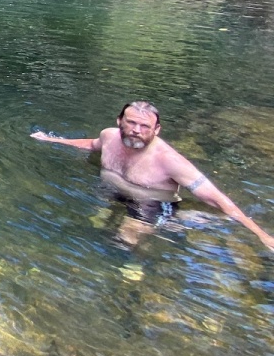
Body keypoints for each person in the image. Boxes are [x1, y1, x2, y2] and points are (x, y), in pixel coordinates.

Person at [31, 101, 274, 251]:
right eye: (131, 122)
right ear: (120, 121)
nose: (136, 130)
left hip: (150, 205)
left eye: (145, 126)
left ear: (156, 130)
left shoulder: (169, 160)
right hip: (110, 191)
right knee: (91, 221)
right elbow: (90, 144)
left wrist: (261, 234)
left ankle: (132, 274)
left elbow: (216, 198)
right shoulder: (109, 136)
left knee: (121, 243)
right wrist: (53, 139)